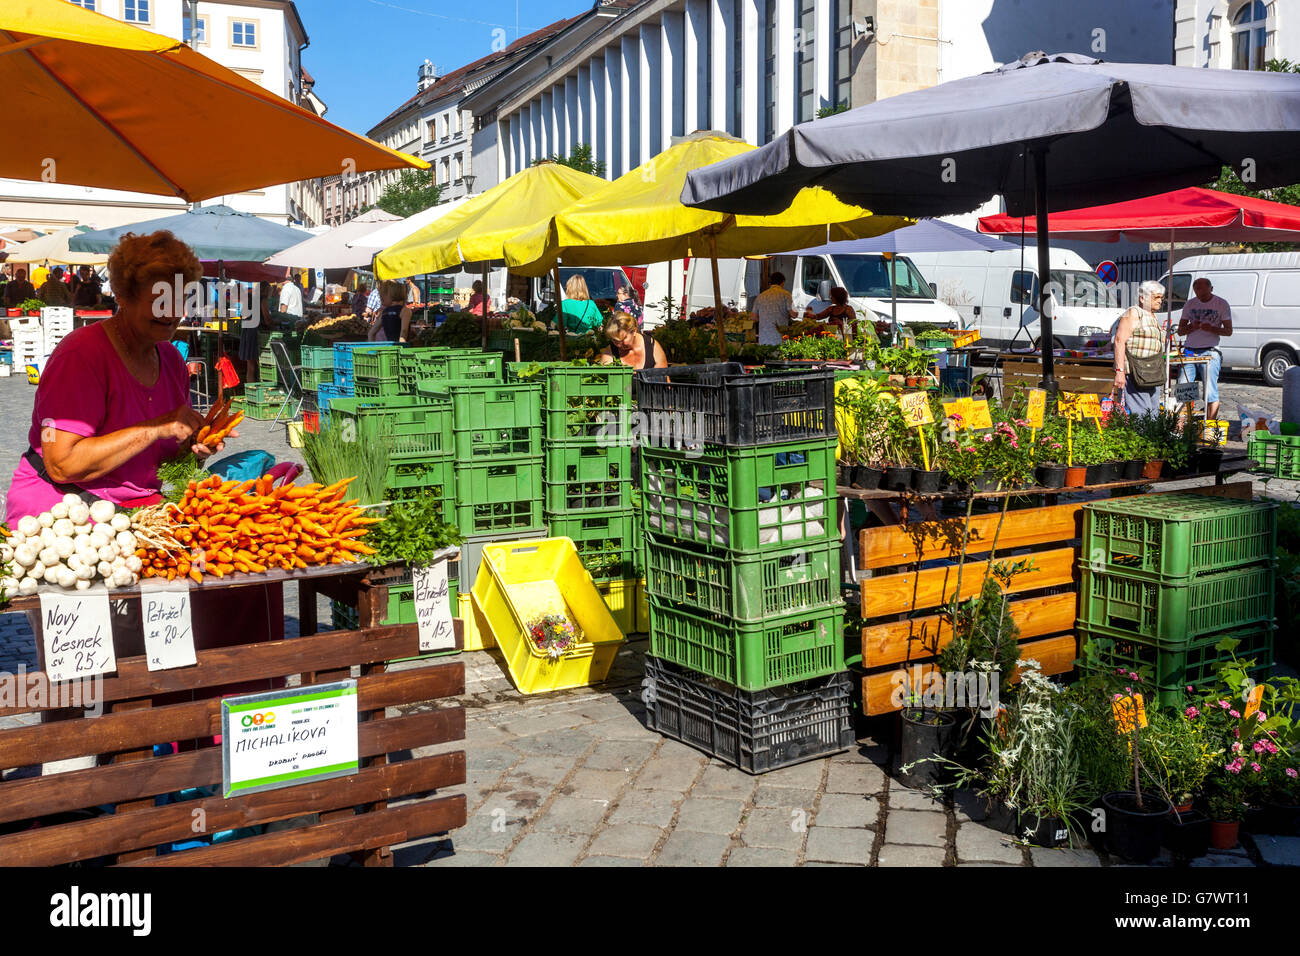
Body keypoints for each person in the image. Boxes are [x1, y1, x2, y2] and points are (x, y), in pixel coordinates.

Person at [5, 230, 232, 525]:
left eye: (182, 298)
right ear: (124, 295)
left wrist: (195, 447)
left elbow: (160, 460)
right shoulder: (81, 354)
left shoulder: (172, 360)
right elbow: (62, 465)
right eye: (160, 299)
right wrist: (155, 428)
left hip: (137, 514)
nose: (174, 311)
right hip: (60, 516)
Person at [1177, 277, 1232, 420]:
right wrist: (1191, 327)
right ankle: (1183, 425)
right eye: (1197, 291)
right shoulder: (1190, 304)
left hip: (1211, 350)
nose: (1200, 294)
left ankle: (1209, 426)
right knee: (1184, 387)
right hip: (1190, 349)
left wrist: (1213, 329)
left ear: (1211, 289)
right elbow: (1180, 331)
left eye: (1203, 291)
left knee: (1209, 390)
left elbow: (1228, 331)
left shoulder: (1221, 304)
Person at [1112, 280, 1167, 417]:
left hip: (1152, 374)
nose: (1160, 301)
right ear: (1143, 298)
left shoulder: (1153, 316)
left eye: (1161, 297)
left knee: (1153, 414)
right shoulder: (1133, 313)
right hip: (1135, 373)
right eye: (1156, 297)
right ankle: (1141, 438)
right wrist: (1120, 371)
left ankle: (1150, 438)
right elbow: (1119, 341)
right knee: (1142, 415)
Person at [598, 311, 666, 370]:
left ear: (634, 331)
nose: (619, 344)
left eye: (623, 339)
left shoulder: (651, 346)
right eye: (615, 340)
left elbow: (664, 378)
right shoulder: (609, 353)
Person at [752, 271, 797, 346]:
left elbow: (753, 317)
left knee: (766, 356)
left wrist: (766, 319)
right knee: (779, 356)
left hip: (764, 338)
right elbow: (794, 314)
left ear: (771, 282)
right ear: (782, 282)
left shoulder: (760, 296)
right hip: (780, 339)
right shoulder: (786, 295)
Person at [239, 281, 270, 384]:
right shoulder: (263, 299)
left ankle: (251, 390)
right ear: (265, 290)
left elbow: (242, 315)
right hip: (255, 333)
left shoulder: (249, 298)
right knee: (261, 363)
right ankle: (262, 389)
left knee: (250, 365)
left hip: (247, 330)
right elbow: (267, 319)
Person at [380, 279, 412, 345]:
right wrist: (401, 348)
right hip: (399, 349)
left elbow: (371, 333)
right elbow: (404, 332)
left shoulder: (384, 312)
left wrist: (373, 348)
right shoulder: (405, 311)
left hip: (389, 347)